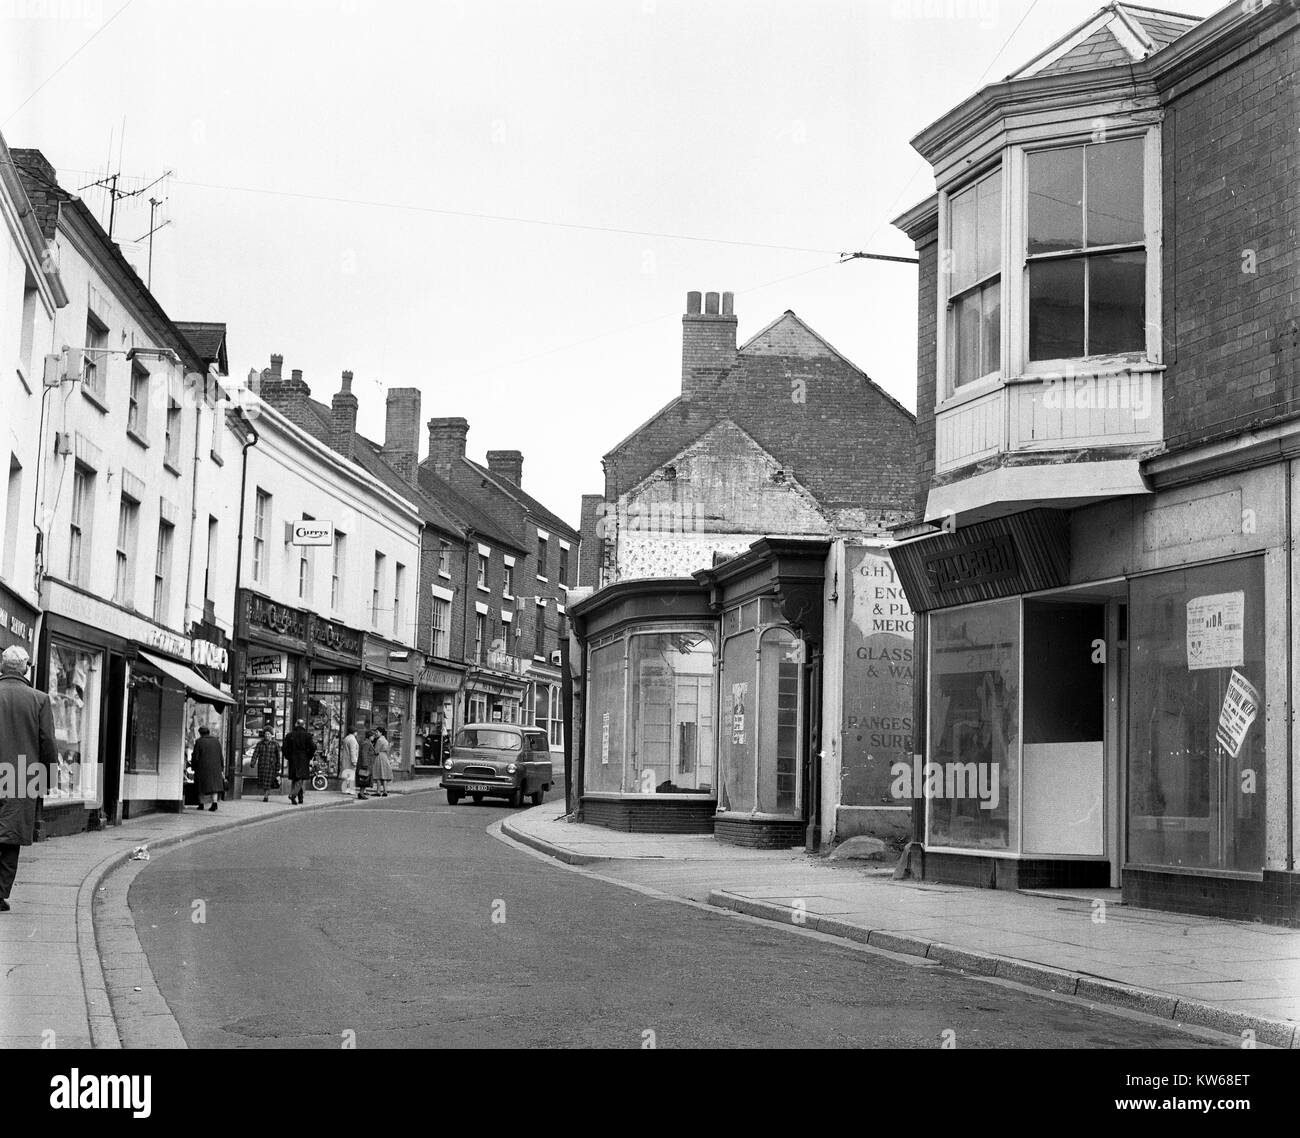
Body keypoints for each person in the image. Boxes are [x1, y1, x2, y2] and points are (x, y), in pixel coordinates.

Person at [0, 646, 57, 913]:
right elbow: (47, 744)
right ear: (24, 668)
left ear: (3, 667)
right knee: (11, 838)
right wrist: (50, 779)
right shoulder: (40, 700)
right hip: (22, 777)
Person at [282, 719, 316, 805]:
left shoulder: (289, 735)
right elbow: (313, 747)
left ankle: (300, 798)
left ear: (296, 724)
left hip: (293, 758)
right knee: (300, 778)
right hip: (303, 758)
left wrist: (288, 756)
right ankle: (293, 794)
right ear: (303, 725)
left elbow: (284, 748)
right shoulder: (307, 735)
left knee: (295, 778)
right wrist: (309, 756)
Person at [252, 727, 281, 803]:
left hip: (271, 766)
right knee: (264, 782)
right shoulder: (260, 744)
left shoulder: (275, 744)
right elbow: (255, 754)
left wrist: (278, 766)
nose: (267, 735)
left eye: (268, 734)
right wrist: (253, 762)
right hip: (262, 765)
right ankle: (266, 793)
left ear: (271, 735)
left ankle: (266, 796)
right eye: (266, 734)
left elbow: (278, 756)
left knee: (268, 782)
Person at [371, 726, 393, 797]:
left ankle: (378, 791)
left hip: (379, 757)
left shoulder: (379, 740)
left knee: (378, 774)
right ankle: (385, 791)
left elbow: (376, 751)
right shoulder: (385, 740)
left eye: (377, 732)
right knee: (384, 774)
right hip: (385, 757)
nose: (376, 733)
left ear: (381, 732)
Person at [340, 725, 359, 796]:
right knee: (351, 775)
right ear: (354, 732)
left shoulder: (346, 738)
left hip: (346, 759)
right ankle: (350, 790)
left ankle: (345, 789)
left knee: (346, 774)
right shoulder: (352, 739)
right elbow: (353, 751)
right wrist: (354, 761)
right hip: (350, 760)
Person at [356, 729, 375, 799]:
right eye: (373, 736)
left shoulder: (367, 742)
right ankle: (361, 793)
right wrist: (365, 764)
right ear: (370, 736)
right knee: (364, 778)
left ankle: (362, 793)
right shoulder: (366, 743)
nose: (374, 737)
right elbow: (364, 754)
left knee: (364, 778)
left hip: (367, 763)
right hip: (365, 764)